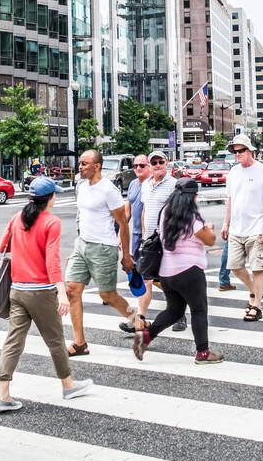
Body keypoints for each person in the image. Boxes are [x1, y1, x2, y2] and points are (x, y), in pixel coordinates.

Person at [0, 177, 93, 412]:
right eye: (55, 194)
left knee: (13, 342)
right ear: (49, 198)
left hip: (17, 290)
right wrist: (61, 292)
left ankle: (3, 395)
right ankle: (68, 384)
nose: (56, 197)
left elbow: (2, 248)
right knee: (56, 340)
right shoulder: (51, 222)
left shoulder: (17, 217)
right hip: (40, 292)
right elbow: (52, 260)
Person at [132, 178, 224, 364]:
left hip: (167, 272)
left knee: (174, 310)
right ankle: (203, 353)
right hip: (190, 271)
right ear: (192, 196)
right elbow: (210, 240)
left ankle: (146, 337)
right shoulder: (191, 215)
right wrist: (210, 228)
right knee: (199, 310)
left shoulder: (165, 210)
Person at [64, 149, 139, 356]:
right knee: (72, 290)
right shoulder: (81, 185)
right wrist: (77, 247)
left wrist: (126, 255)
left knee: (108, 295)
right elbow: (83, 217)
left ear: (97, 166)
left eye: (84, 164)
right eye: (79, 163)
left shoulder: (108, 190)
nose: (80, 167)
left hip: (103, 247)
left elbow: (123, 223)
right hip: (82, 244)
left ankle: (137, 321)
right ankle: (80, 343)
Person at [222, 134, 263, 322]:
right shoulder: (233, 173)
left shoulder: (262, 171)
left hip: (258, 228)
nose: (237, 155)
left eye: (240, 151)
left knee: (257, 268)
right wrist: (226, 223)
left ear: (250, 151)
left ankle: (256, 307)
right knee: (235, 267)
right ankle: (255, 292)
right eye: (234, 152)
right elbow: (230, 200)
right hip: (236, 229)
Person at [131, 151, 182, 332]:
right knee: (147, 279)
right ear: (150, 166)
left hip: (166, 239)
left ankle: (179, 313)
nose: (157, 165)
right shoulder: (146, 185)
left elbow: (179, 212)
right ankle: (140, 320)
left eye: (161, 162)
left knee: (168, 280)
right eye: (154, 163)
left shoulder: (174, 185)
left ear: (166, 164)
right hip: (150, 241)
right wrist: (144, 236)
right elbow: (145, 210)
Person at [123, 154, 150, 327]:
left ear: (148, 167)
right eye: (135, 166)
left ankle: (139, 318)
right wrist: (121, 236)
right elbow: (128, 211)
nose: (138, 168)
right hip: (135, 237)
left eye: (142, 165)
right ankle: (178, 303)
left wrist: (147, 238)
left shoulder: (152, 184)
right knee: (144, 276)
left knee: (149, 278)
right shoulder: (133, 184)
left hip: (150, 238)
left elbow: (146, 213)